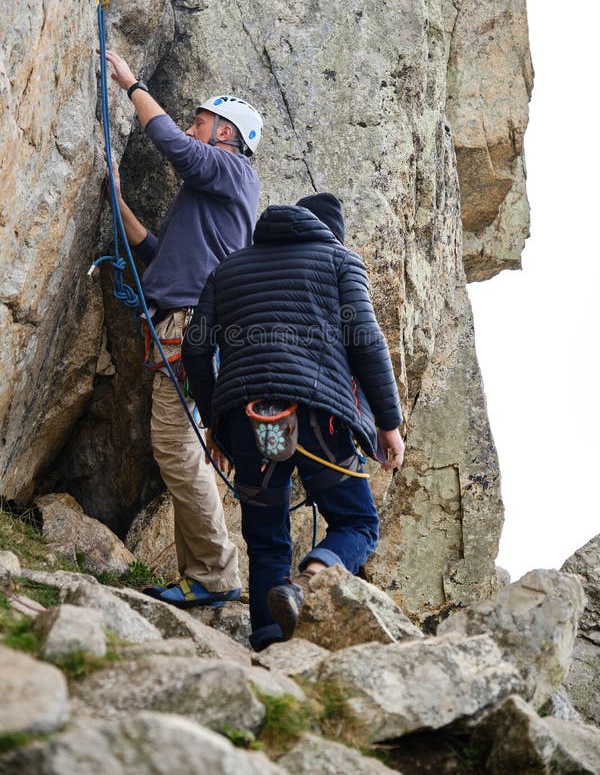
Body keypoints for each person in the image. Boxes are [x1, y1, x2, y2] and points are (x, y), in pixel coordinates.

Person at [181, 193, 405, 649]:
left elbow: (195, 350)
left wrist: (216, 422)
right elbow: (366, 341)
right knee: (359, 523)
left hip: (247, 423)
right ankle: (307, 583)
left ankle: (266, 640)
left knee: (265, 540)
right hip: (316, 416)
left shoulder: (228, 269)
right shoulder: (340, 261)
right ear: (331, 232)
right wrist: (389, 422)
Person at [100, 48, 262, 608]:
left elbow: (175, 146)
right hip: (184, 324)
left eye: (200, 121)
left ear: (227, 134)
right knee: (180, 450)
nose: (192, 128)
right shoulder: (209, 196)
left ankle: (215, 575)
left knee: (176, 448)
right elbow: (159, 253)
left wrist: (131, 85)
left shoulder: (235, 171)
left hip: (193, 328)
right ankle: (202, 576)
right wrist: (117, 201)